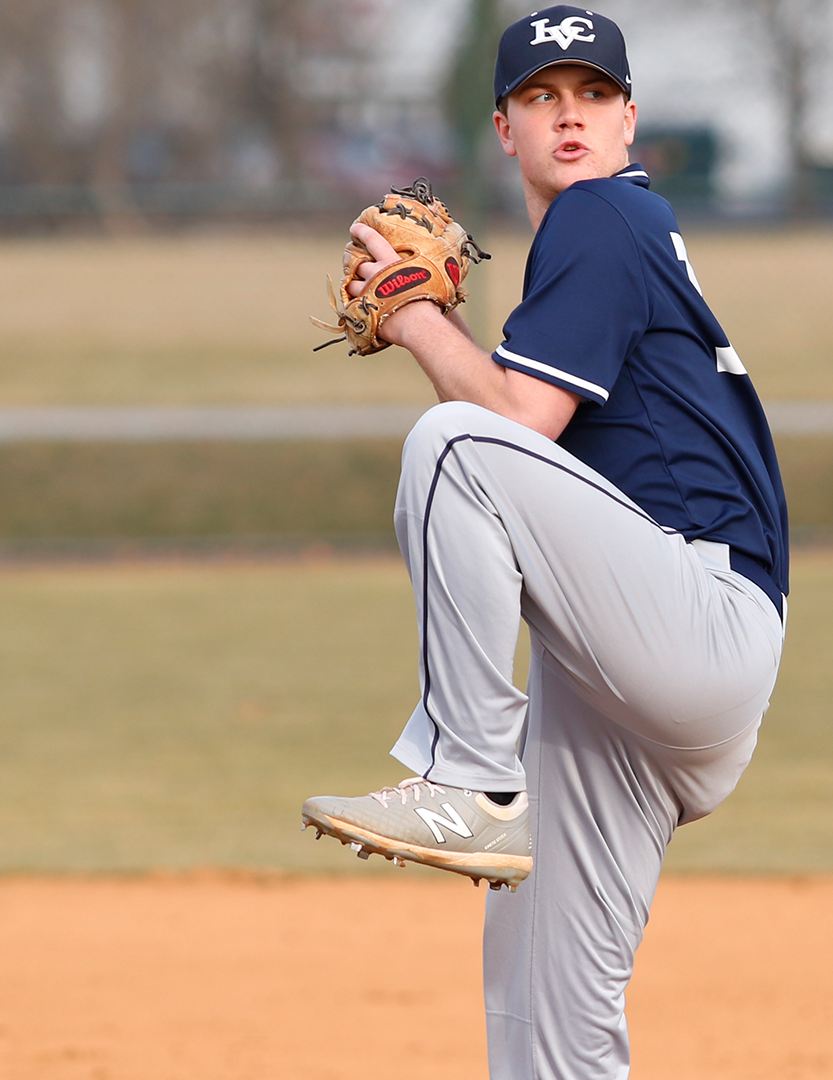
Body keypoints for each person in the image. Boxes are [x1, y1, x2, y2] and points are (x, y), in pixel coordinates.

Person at [300, 7, 788, 1077]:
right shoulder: (601, 250)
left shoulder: (603, 218)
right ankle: (491, 795)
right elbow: (523, 413)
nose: (569, 117)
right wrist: (426, 322)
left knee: (451, 449)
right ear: (503, 129)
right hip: (634, 666)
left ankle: (473, 777)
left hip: (692, 614)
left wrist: (414, 318)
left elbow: (504, 431)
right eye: (540, 97)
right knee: (544, 1016)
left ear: (629, 126)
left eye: (594, 95)